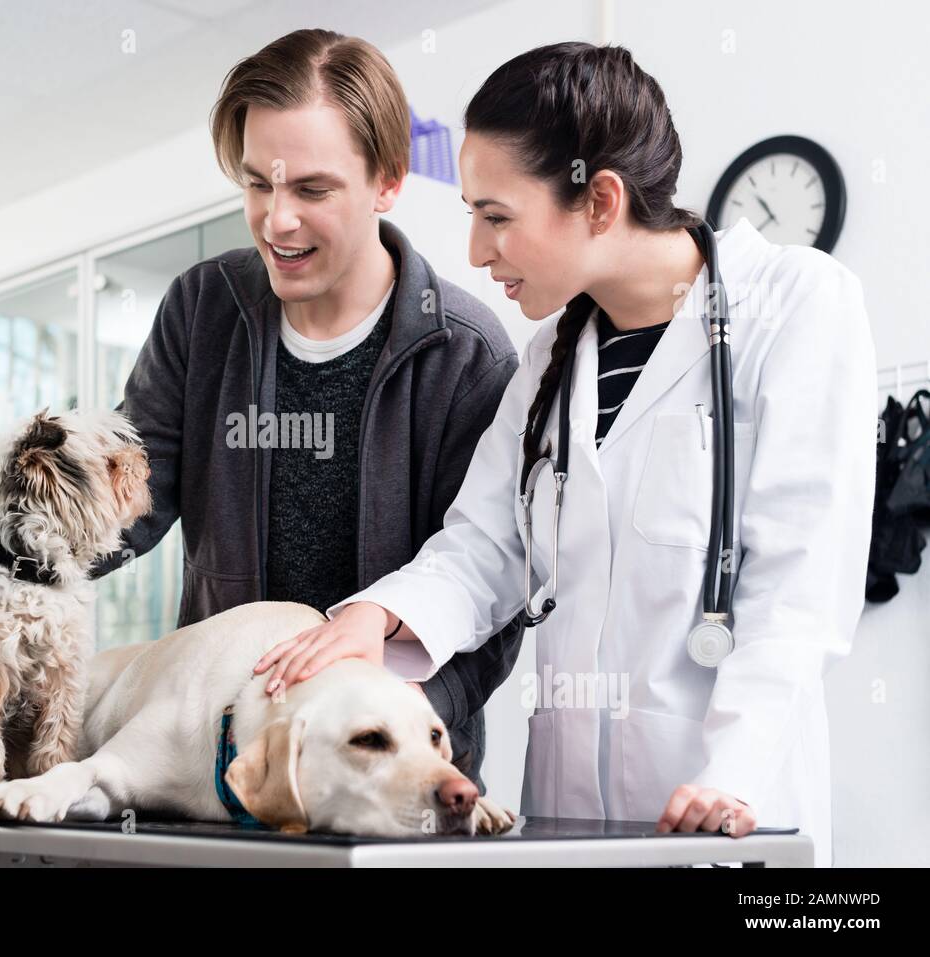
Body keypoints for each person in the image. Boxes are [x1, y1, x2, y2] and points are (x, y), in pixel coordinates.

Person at [253, 42, 875, 868]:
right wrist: (378, 613)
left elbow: (798, 590)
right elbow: (482, 548)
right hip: (567, 818)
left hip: (731, 812)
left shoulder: (796, 306)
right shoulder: (550, 359)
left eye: (497, 216)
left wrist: (737, 773)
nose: (476, 249)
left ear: (601, 199)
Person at [0, 28, 526, 796]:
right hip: (218, 771)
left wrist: (394, 718)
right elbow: (121, 504)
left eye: (311, 190)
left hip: (387, 784)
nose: (276, 221)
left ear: (387, 180)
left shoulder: (466, 357)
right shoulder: (202, 309)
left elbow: (489, 589)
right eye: (258, 184)